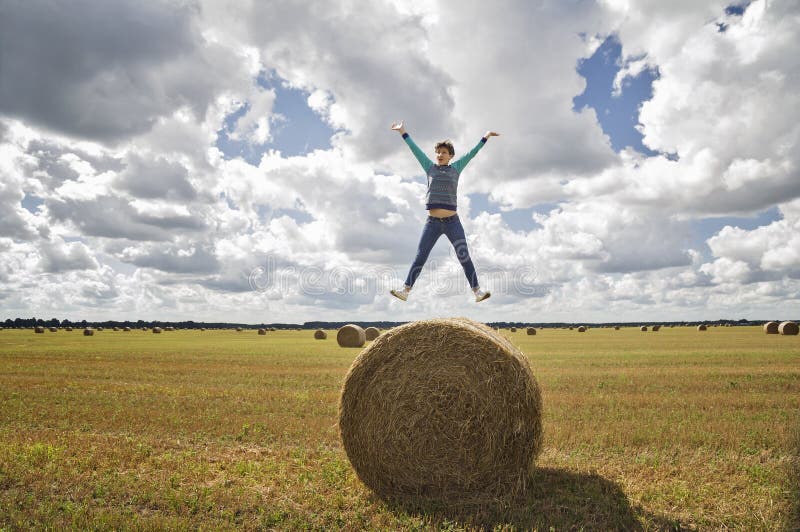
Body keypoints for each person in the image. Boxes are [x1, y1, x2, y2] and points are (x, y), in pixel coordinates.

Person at [389, 120, 499, 302]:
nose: (440, 154)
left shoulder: (456, 168)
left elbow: (473, 153)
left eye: (444, 152)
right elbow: (415, 150)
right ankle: (405, 290)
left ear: (451, 156)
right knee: (420, 257)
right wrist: (403, 132)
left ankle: (477, 291)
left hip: (452, 222)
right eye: (438, 152)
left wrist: (485, 136)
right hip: (431, 223)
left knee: (464, 255)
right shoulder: (429, 167)